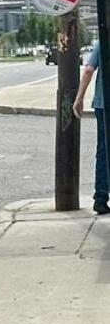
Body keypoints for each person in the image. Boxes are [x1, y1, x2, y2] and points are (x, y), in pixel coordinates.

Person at [74, 41, 108, 215]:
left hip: (103, 104)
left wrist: (79, 98)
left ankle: (101, 198)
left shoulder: (102, 42)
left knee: (103, 151)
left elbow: (88, 70)